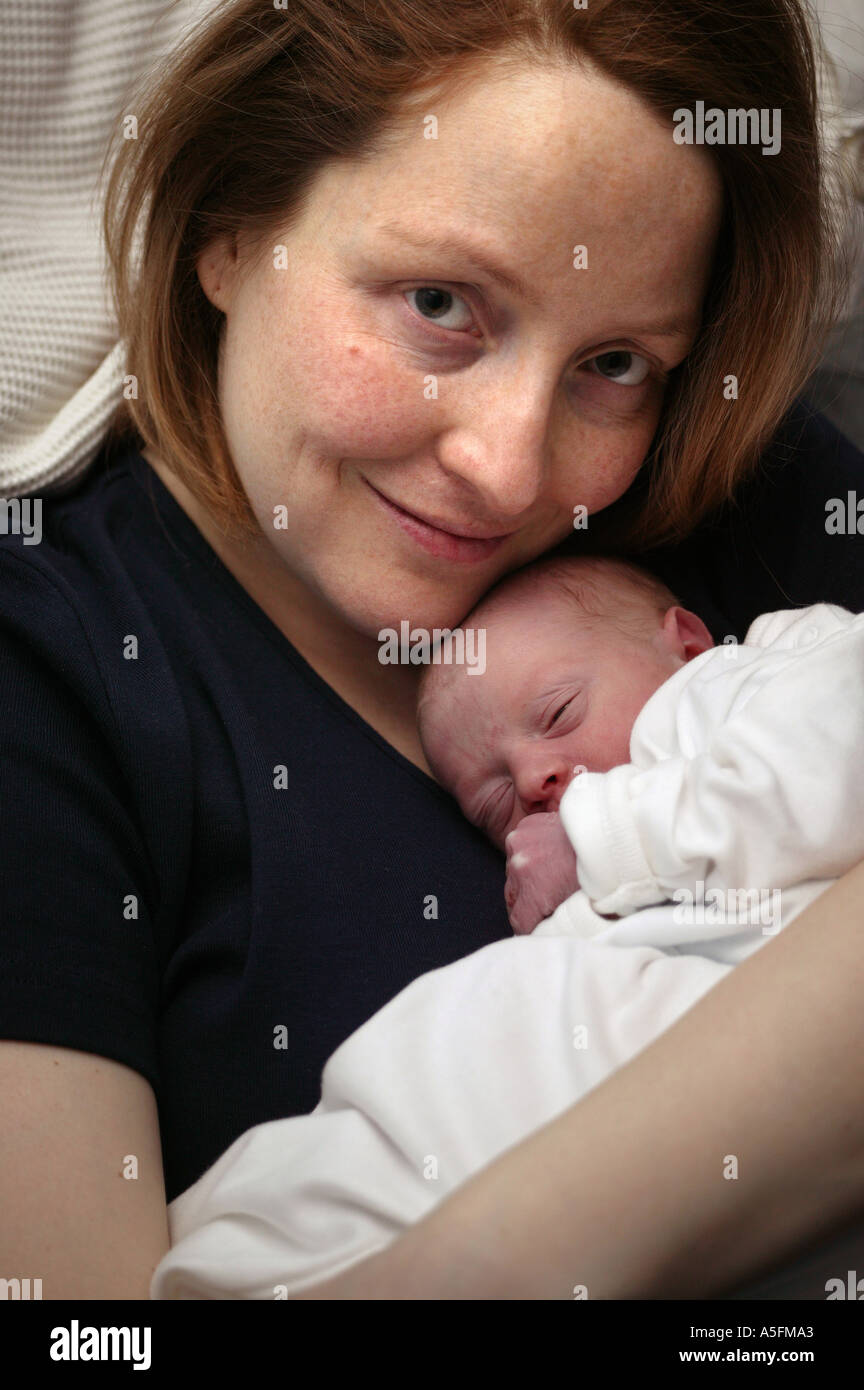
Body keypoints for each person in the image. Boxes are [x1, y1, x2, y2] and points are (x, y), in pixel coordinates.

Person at [1, 0, 863, 1300]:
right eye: (440, 303)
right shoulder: (49, 681)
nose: (510, 467)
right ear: (231, 228)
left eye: (617, 362)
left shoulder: (741, 504)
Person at [148, 555, 864, 1298]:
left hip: (719, 1023)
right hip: (585, 1062)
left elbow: (831, 759)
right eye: (495, 808)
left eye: (558, 713)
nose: (532, 781)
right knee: (396, 1093)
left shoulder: (765, 668)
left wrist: (605, 836)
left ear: (684, 639)